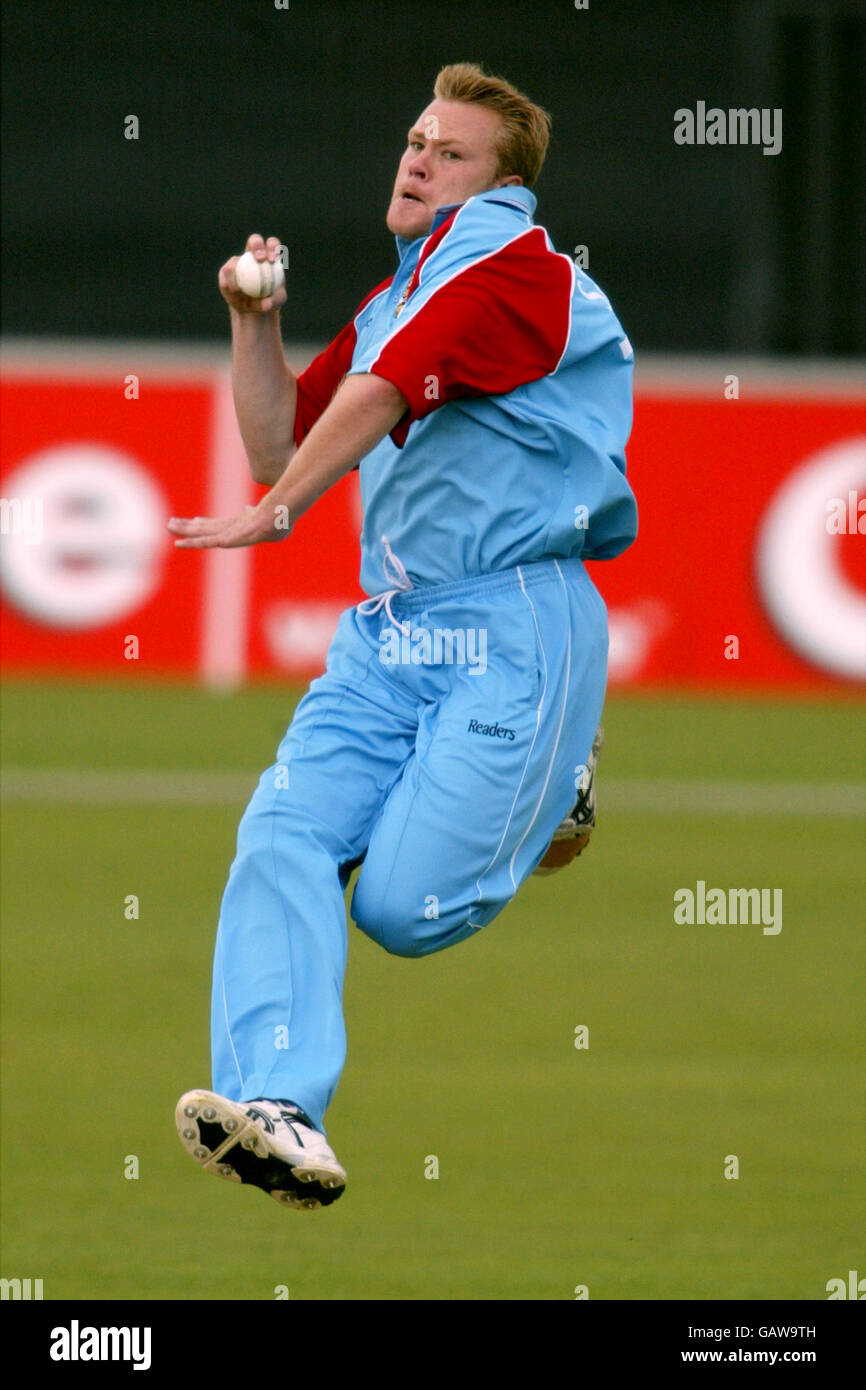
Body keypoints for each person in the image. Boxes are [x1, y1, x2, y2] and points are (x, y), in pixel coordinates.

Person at [169, 62, 637, 1212]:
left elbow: (363, 413)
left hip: (518, 621)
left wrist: (274, 517)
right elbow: (285, 442)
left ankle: (542, 801)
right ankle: (278, 1105)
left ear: (501, 186)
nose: (417, 157)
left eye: (450, 149)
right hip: (391, 631)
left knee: (396, 913)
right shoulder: (405, 296)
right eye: (415, 138)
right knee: (282, 829)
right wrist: (252, 322)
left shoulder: (513, 269)